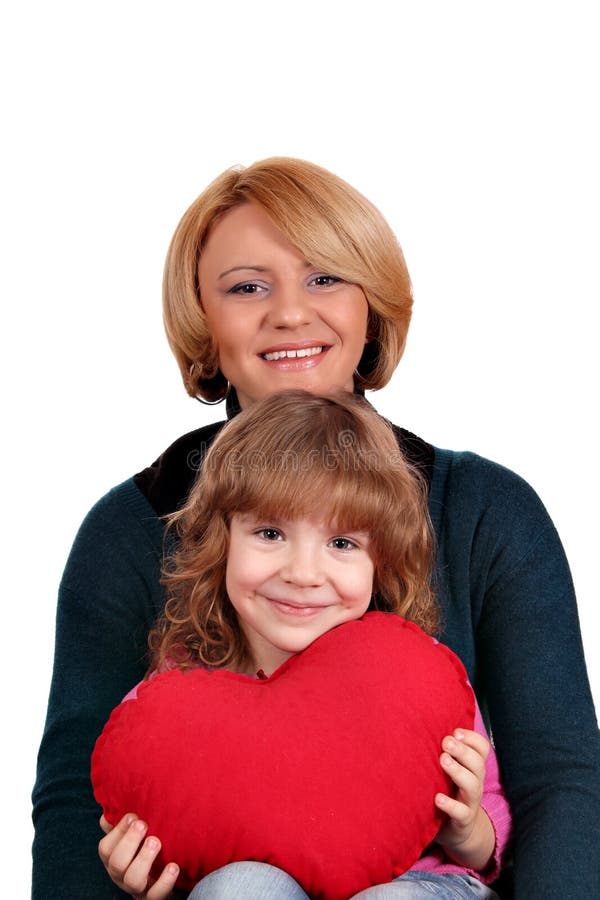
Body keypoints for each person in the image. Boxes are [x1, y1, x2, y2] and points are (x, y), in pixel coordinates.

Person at [31, 157, 599, 900]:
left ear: (372, 310)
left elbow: (560, 780)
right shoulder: (127, 530)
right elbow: (78, 799)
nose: (291, 312)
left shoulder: (488, 512)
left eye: (325, 277)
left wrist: (476, 838)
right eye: (246, 286)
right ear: (205, 323)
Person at [94, 389, 511, 899]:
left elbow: (490, 834)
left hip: (419, 879)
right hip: (254, 881)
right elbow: (171, 817)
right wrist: (147, 868)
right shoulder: (179, 688)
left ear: (380, 561)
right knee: (241, 888)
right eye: (270, 533)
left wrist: (468, 831)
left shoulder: (413, 679)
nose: (303, 573)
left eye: (342, 543)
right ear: (221, 540)